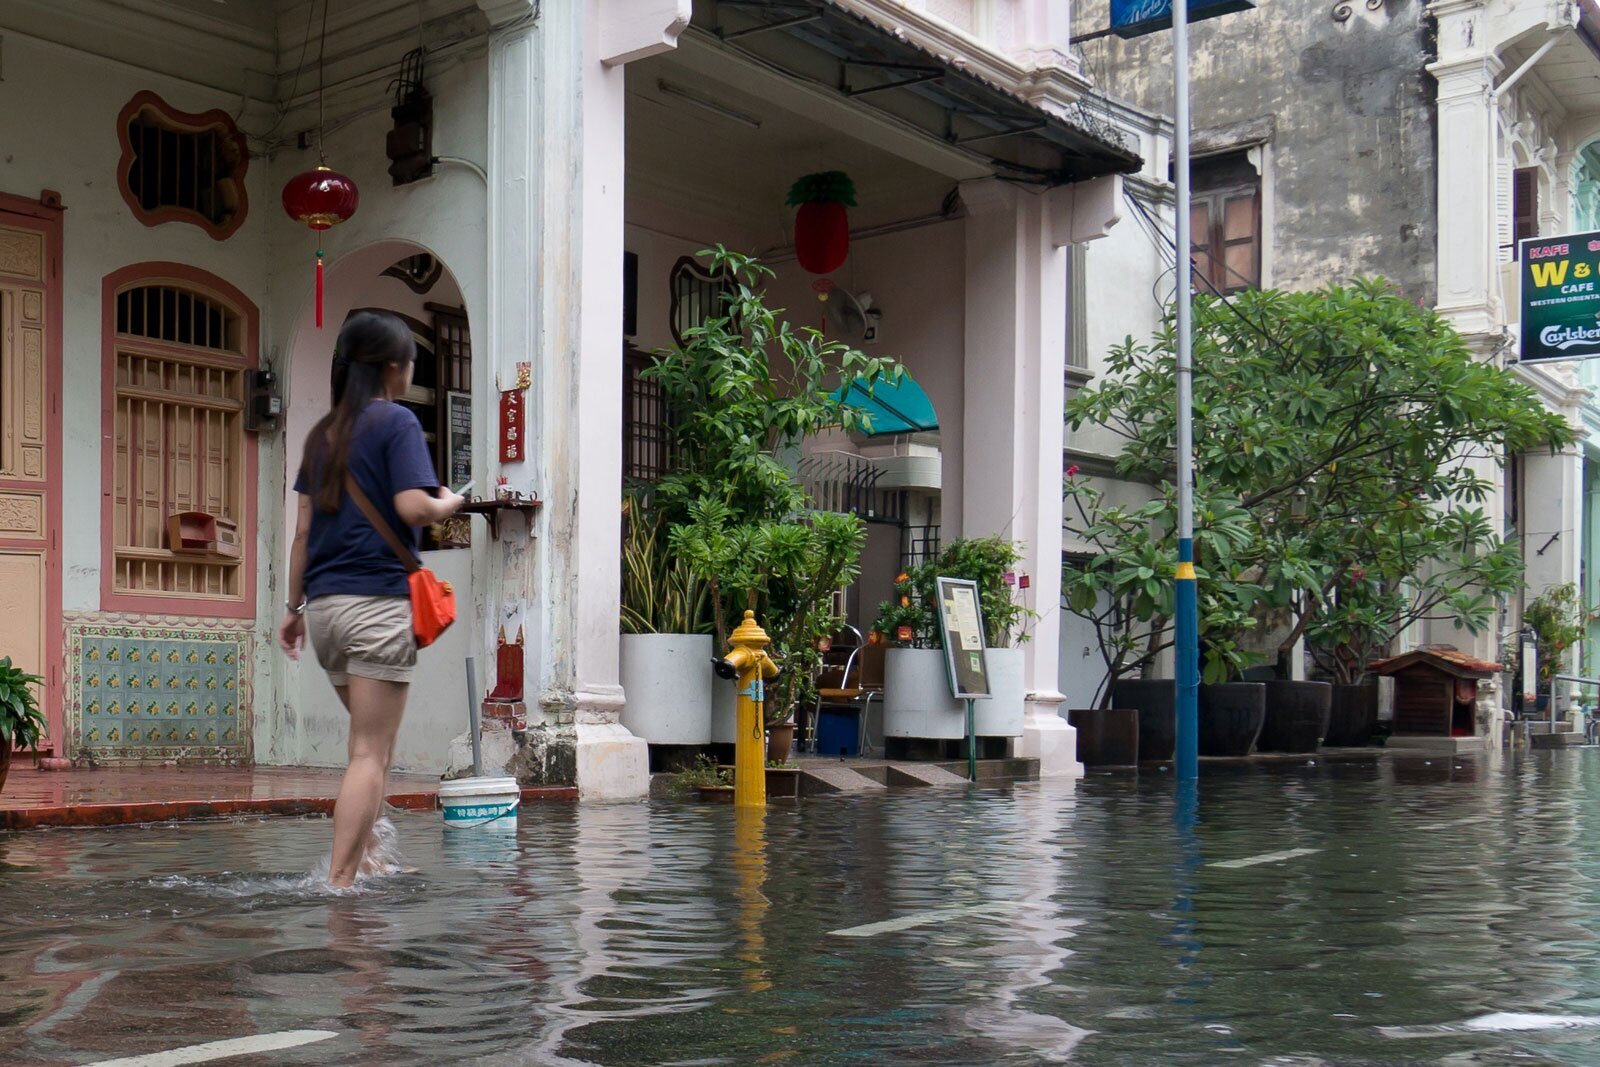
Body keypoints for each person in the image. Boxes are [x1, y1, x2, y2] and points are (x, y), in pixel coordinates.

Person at [278, 310, 464, 887]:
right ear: (391, 367)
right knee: (369, 753)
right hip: (378, 607)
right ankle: (339, 882)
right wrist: (449, 503)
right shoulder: (398, 422)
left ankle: (370, 858)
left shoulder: (321, 435)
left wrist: (294, 609)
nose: (412, 370)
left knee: (368, 747)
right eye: (411, 361)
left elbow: (303, 533)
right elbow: (413, 507)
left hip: (328, 613)